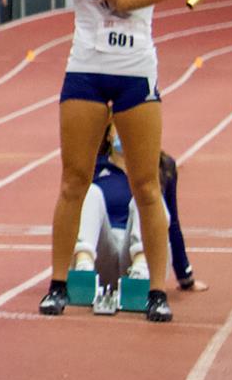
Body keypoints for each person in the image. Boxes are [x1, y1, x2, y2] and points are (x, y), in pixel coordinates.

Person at [41, 0, 223, 324]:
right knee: (73, 180)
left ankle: (156, 289)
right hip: (85, 69)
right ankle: (58, 283)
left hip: (134, 72)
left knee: (146, 182)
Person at [73, 125, 208, 296]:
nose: (125, 133)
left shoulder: (161, 167)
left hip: (143, 254)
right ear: (108, 134)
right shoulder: (92, 167)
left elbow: (172, 223)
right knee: (91, 193)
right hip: (103, 256)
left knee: (146, 196)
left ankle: (140, 274)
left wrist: (186, 278)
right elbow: (74, 214)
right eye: (119, 126)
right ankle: (83, 272)